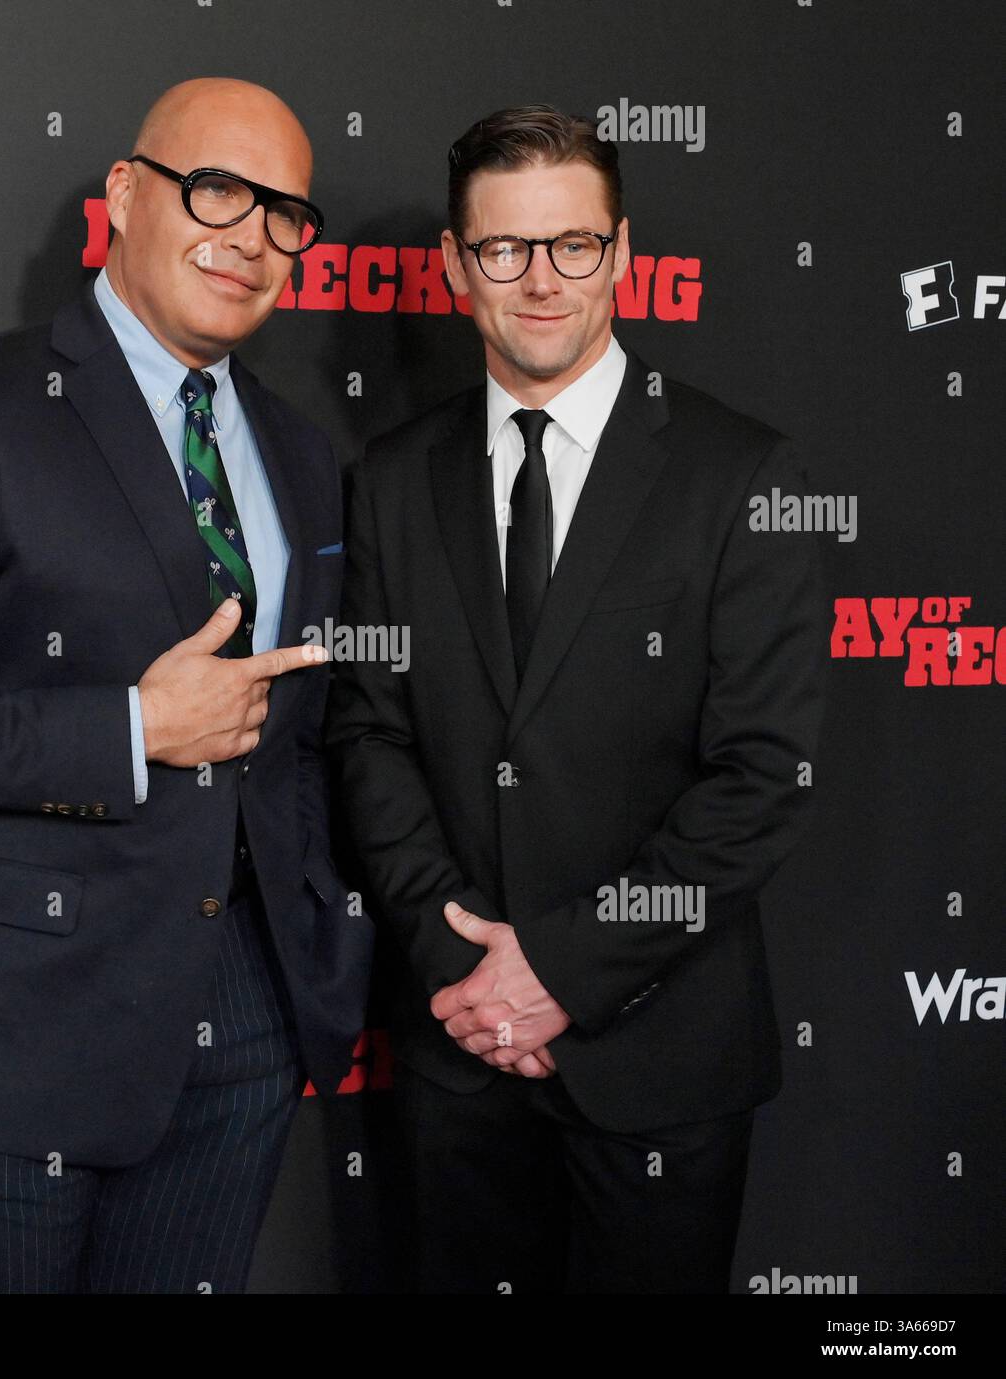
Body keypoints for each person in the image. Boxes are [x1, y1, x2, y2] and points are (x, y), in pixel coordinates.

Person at [0, 77, 372, 1294]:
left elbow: (305, 737)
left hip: (247, 1029)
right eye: (218, 190)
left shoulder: (304, 453)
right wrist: (128, 729)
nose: (252, 236)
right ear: (122, 195)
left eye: (287, 215)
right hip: (13, 1043)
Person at [326, 103, 827, 1293]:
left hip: (660, 1059)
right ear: (456, 267)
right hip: (456, 1056)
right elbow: (367, 731)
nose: (539, 281)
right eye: (503, 249)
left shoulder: (739, 474)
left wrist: (557, 968)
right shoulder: (393, 480)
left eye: (571, 245)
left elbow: (760, 777)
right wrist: (464, 969)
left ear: (621, 252)